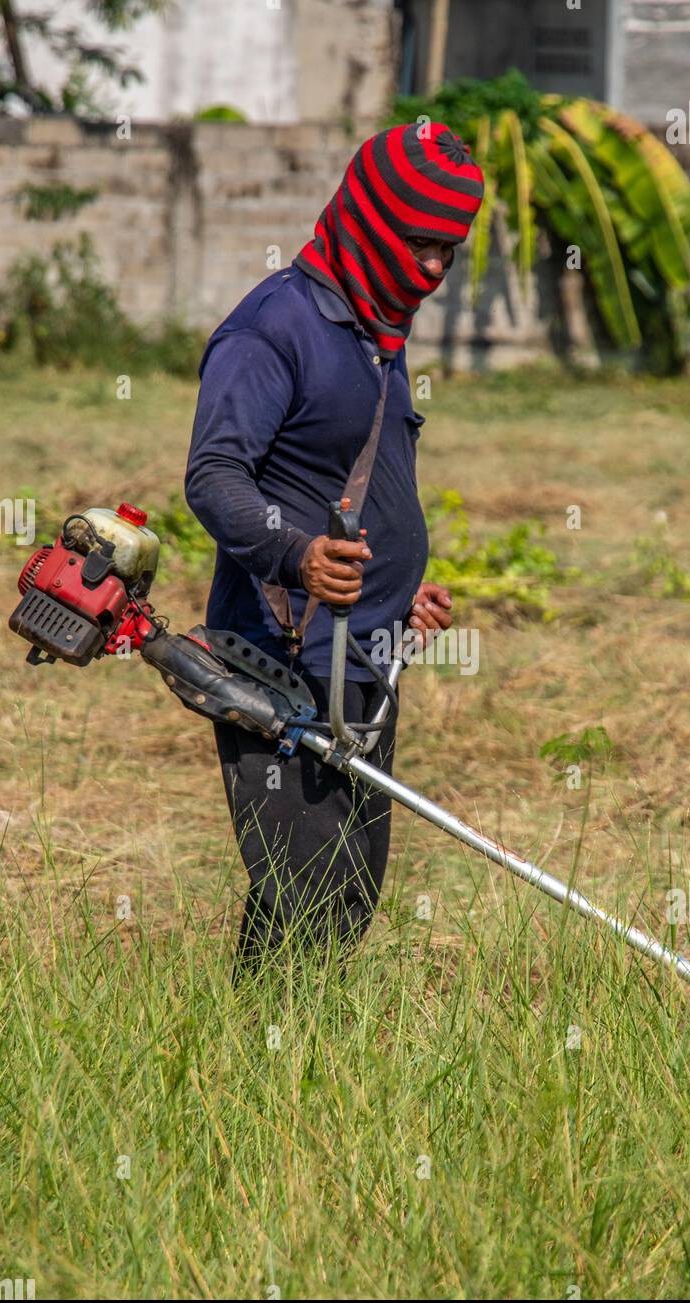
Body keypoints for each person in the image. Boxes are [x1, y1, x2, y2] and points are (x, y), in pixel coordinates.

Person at [184, 121, 484, 971]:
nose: (432, 269)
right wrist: (298, 557)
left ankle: (263, 1062)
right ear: (373, 222)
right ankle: (272, 1077)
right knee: (307, 889)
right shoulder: (274, 328)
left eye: (448, 252)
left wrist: (400, 586)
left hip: (361, 656)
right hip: (280, 657)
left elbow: (345, 477)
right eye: (420, 244)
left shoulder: (372, 330)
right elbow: (214, 477)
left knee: (342, 893)